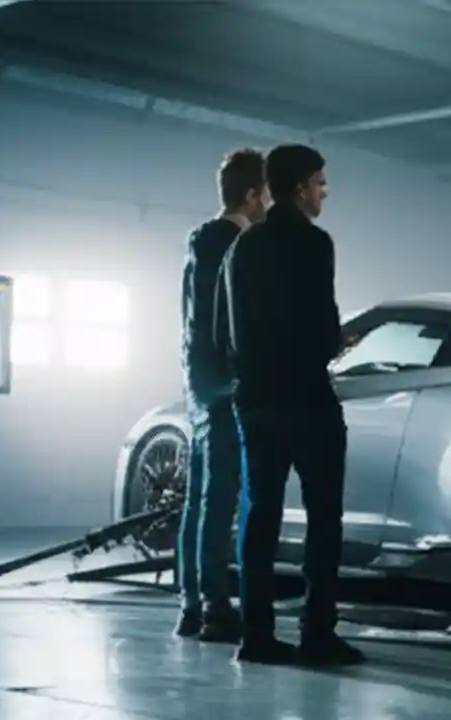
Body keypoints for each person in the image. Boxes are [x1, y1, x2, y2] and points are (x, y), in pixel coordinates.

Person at [215, 144, 365, 666]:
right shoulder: (315, 242)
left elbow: (222, 333)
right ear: (300, 186)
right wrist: (335, 342)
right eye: (321, 183)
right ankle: (316, 633)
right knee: (324, 519)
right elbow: (321, 332)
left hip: (254, 402)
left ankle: (255, 636)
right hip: (307, 400)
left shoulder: (240, 248)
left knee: (259, 518)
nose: (324, 192)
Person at [174, 148, 268, 642]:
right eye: (267, 193)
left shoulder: (201, 243)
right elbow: (234, 324)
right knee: (223, 495)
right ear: (252, 195)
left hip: (199, 382)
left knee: (200, 497)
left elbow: (193, 324)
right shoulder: (235, 245)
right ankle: (215, 607)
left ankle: (191, 604)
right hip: (225, 385)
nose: (270, 204)